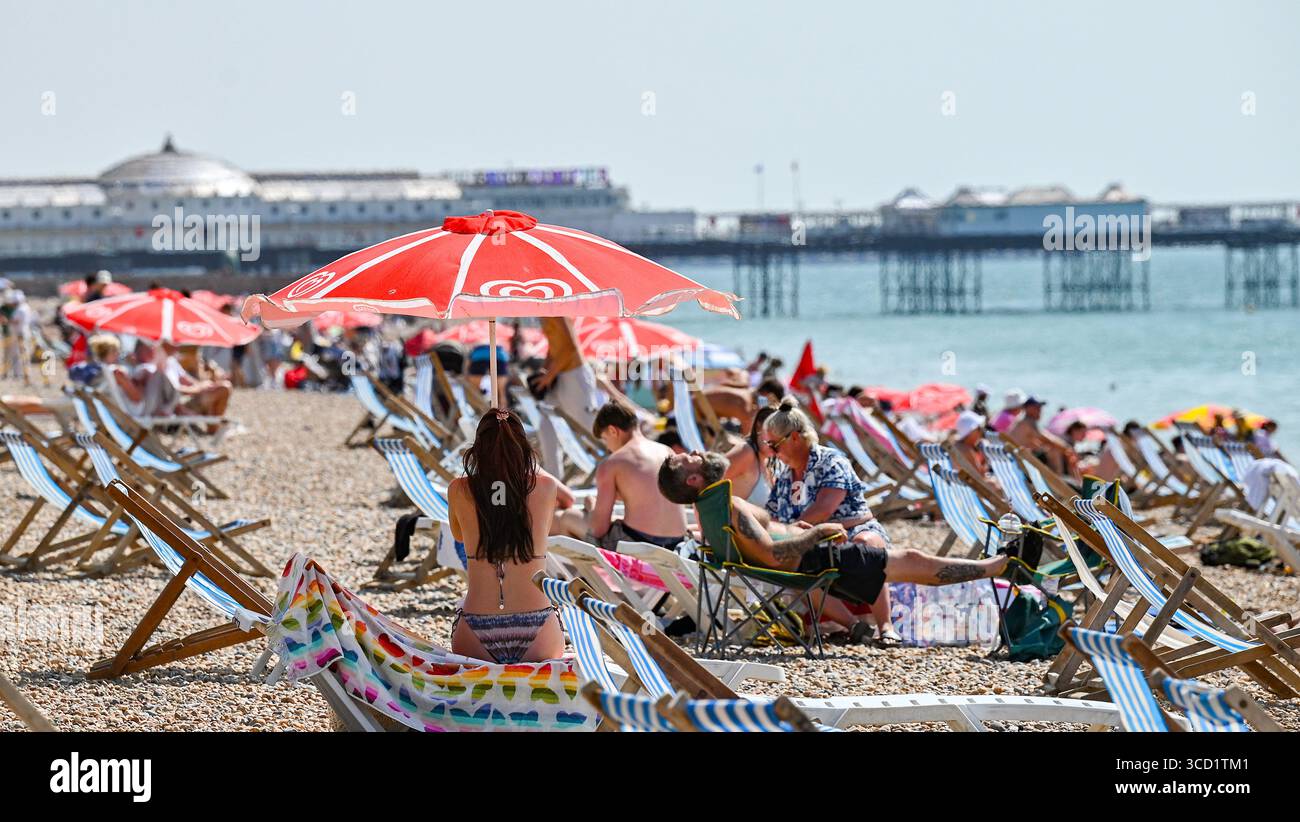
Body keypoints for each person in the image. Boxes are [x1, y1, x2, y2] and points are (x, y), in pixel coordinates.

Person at [658, 446, 1008, 647]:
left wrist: (793, 528)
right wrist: (820, 531)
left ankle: (992, 566)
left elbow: (767, 545)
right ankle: (995, 567)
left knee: (905, 560)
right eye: (684, 459)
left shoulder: (710, 508)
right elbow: (772, 554)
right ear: (693, 479)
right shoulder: (729, 507)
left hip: (807, 557)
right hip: (814, 562)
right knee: (909, 561)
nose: (690, 452)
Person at [447, 410, 564, 664]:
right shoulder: (545, 487)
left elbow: (458, 535)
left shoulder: (459, 489)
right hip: (539, 631)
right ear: (523, 448)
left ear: (477, 449)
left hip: (474, 636)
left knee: (461, 600)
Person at [588, 401, 687, 550]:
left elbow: (598, 530)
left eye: (605, 439)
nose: (608, 447)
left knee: (567, 518)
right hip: (677, 545)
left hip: (639, 545)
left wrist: (591, 508)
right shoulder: (667, 451)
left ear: (613, 431)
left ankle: (572, 574)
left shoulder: (612, 463)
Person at [533, 317, 606, 477]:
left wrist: (548, 375)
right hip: (559, 375)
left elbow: (570, 347)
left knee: (588, 430)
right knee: (546, 425)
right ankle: (554, 480)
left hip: (575, 374)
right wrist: (545, 369)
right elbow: (554, 347)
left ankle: (612, 471)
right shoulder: (543, 310)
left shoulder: (557, 309)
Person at [1006, 396, 1078, 480]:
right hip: (1018, 460)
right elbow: (1047, 439)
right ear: (1028, 408)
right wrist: (1067, 448)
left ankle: (1061, 480)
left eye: (1040, 407)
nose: (1040, 410)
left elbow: (1037, 440)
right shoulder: (1028, 421)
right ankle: (1058, 480)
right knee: (1055, 450)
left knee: (1052, 448)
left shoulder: (1022, 420)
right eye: (1036, 407)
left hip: (1016, 457)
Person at [723, 405, 777, 506]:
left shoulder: (768, 461)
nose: (778, 438)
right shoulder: (746, 452)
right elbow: (708, 480)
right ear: (759, 426)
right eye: (774, 431)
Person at [949, 410, 989, 478]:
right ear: (971, 432)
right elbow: (980, 477)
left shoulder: (956, 446)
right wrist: (986, 460)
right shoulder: (966, 450)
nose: (981, 432)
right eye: (979, 428)